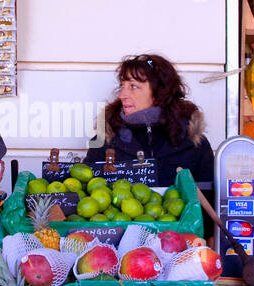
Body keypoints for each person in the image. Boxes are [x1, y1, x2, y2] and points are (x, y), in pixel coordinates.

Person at [84, 53, 215, 192]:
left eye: (133, 86)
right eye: (122, 85)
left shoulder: (193, 140)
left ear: (159, 91)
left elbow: (208, 198)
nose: (122, 95)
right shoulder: (105, 139)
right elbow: (86, 192)